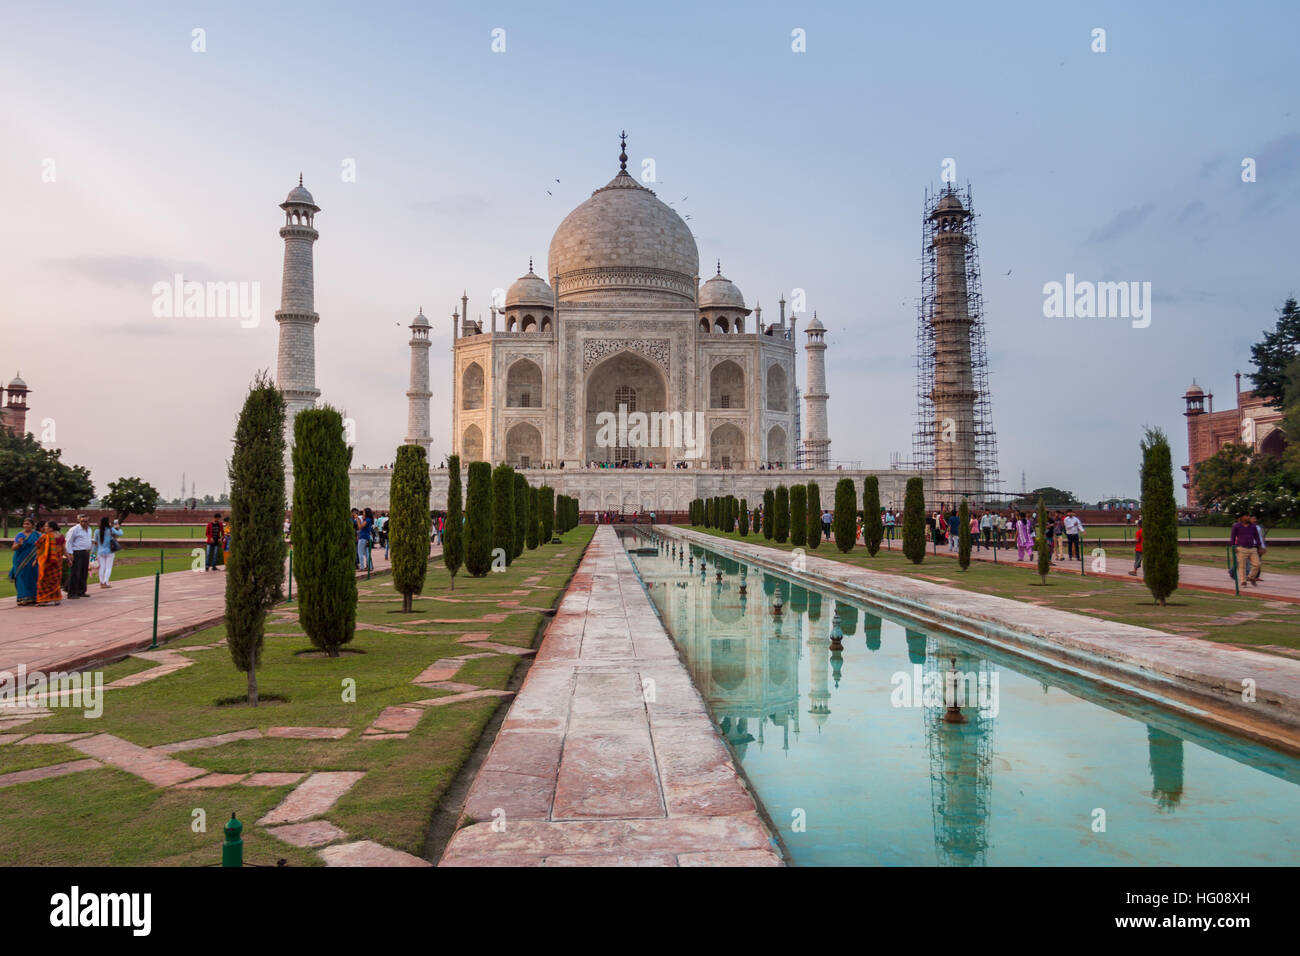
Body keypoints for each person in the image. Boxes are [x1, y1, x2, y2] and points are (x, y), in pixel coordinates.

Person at [8, 516, 40, 606]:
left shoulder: (37, 535)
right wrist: (19, 544)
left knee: (32, 578)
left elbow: (42, 547)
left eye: (28, 524)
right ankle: (22, 598)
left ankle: (33, 598)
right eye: (24, 524)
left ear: (32, 525)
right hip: (20, 560)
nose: (25, 526)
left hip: (33, 561)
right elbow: (13, 548)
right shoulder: (20, 535)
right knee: (21, 578)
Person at [36, 520, 66, 606]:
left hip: (47, 562)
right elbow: (64, 549)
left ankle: (43, 599)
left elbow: (38, 547)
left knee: (43, 580)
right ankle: (56, 599)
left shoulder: (46, 536)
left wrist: (36, 559)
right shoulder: (61, 536)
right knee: (55, 581)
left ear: (51, 528)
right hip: (57, 562)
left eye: (46, 526)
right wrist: (68, 558)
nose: (44, 528)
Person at [65, 514, 93, 599]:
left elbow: (86, 540)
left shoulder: (89, 529)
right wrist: (70, 554)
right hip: (77, 552)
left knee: (83, 573)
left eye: (86, 521)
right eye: (82, 521)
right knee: (75, 573)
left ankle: (81, 591)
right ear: (79, 521)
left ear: (89, 521)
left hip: (85, 552)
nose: (84, 523)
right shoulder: (74, 529)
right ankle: (72, 592)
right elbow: (68, 542)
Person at [1230, 513, 1259, 586]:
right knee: (1242, 566)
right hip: (1241, 548)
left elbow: (1257, 537)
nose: (1248, 517)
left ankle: (1251, 577)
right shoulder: (1236, 526)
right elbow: (1233, 536)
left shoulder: (1253, 526)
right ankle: (1243, 581)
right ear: (1242, 517)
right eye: (1246, 516)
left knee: (1257, 564)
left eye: (1249, 516)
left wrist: (1259, 546)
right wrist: (1233, 546)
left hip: (1252, 548)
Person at [95, 516, 123, 588]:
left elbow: (95, 543)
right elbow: (120, 533)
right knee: (108, 568)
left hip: (100, 552)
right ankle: (105, 582)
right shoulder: (110, 530)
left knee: (101, 568)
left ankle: (101, 582)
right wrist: (118, 527)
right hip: (109, 551)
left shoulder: (97, 531)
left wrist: (93, 552)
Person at [1251, 515, 1267, 582]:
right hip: (1250, 546)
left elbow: (1261, 537)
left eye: (1255, 519)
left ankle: (1256, 576)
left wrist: (1263, 546)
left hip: (1258, 546)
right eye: (1253, 519)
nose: (1255, 520)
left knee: (1258, 562)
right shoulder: (1246, 527)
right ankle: (1232, 571)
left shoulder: (1258, 527)